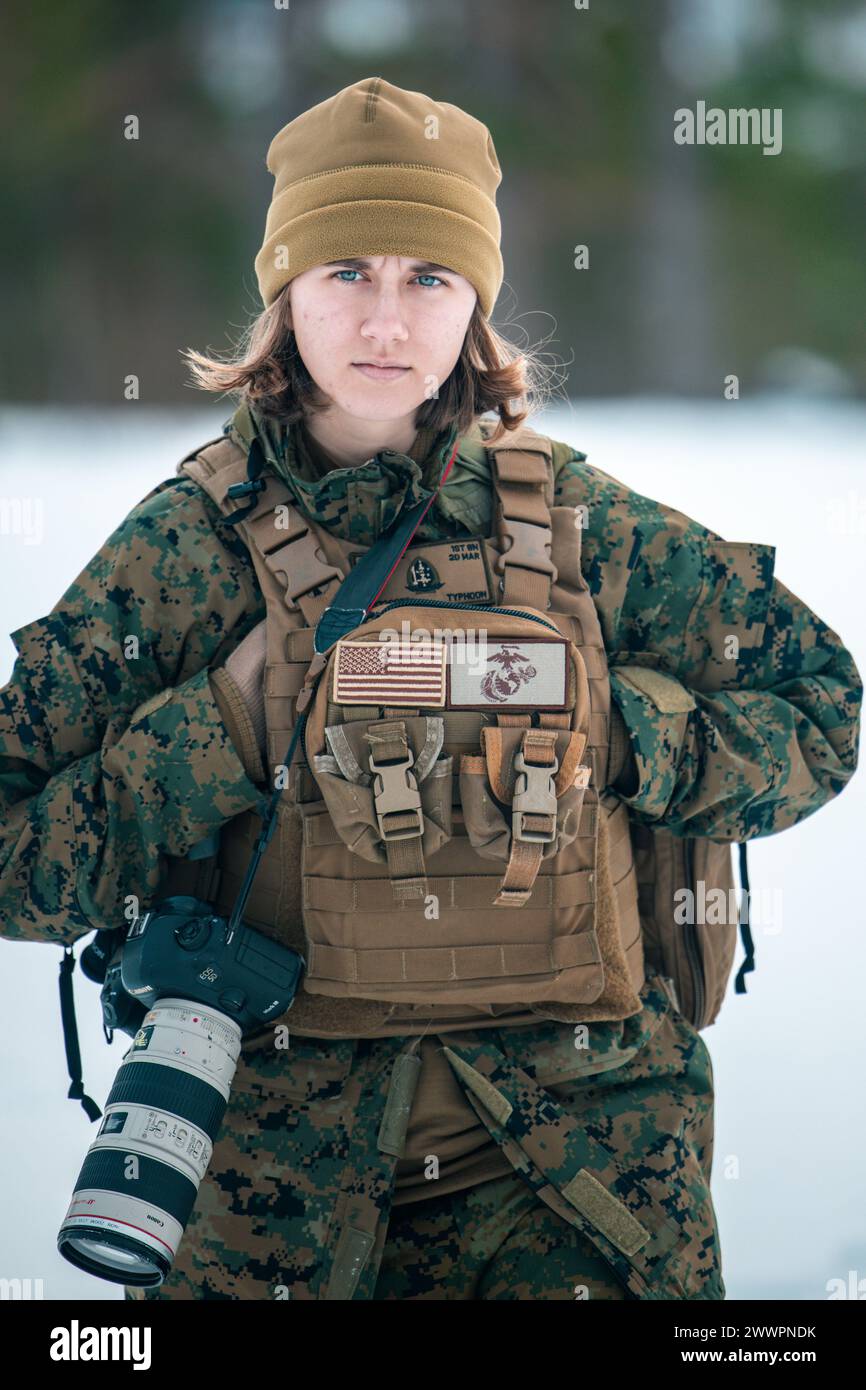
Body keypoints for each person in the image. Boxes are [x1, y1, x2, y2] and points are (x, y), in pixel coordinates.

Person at [0, 77, 860, 1302]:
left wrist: (619, 734)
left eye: (429, 277)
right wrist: (222, 728)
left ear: (476, 302)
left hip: (584, 1176)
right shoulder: (186, 548)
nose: (386, 320)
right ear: (282, 289)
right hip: (271, 1205)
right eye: (346, 270)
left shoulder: (578, 520)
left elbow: (821, 704)